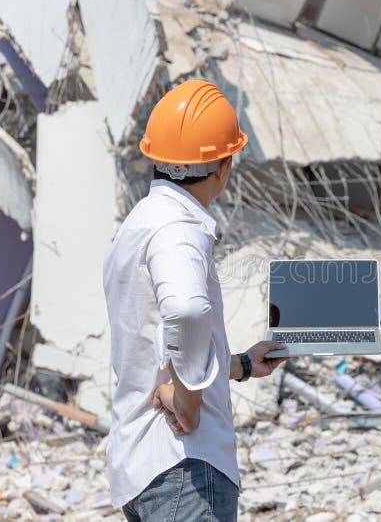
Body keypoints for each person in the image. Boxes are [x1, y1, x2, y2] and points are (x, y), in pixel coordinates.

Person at [103, 80, 286, 521]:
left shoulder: (140, 223)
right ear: (223, 166)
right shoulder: (178, 226)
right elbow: (186, 311)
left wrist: (239, 365)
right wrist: (187, 399)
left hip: (146, 465)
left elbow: (159, 341)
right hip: (183, 466)